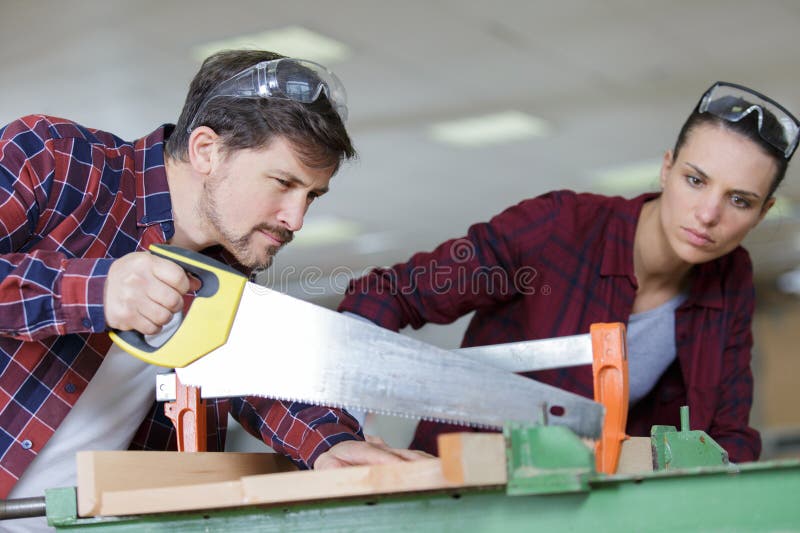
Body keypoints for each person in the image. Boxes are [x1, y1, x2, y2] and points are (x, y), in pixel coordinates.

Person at [0, 49, 423, 511]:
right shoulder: (54, 161)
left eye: (311, 195)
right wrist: (96, 290)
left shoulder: (228, 272)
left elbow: (263, 381)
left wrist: (330, 446)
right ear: (207, 150)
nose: (296, 219)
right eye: (282, 183)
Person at [339, 81, 799, 463]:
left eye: (740, 200)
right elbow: (389, 293)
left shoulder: (731, 277)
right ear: (665, 169)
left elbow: (730, 437)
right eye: (695, 181)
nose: (708, 214)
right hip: (468, 496)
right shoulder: (558, 229)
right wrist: (342, 435)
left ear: (763, 212)